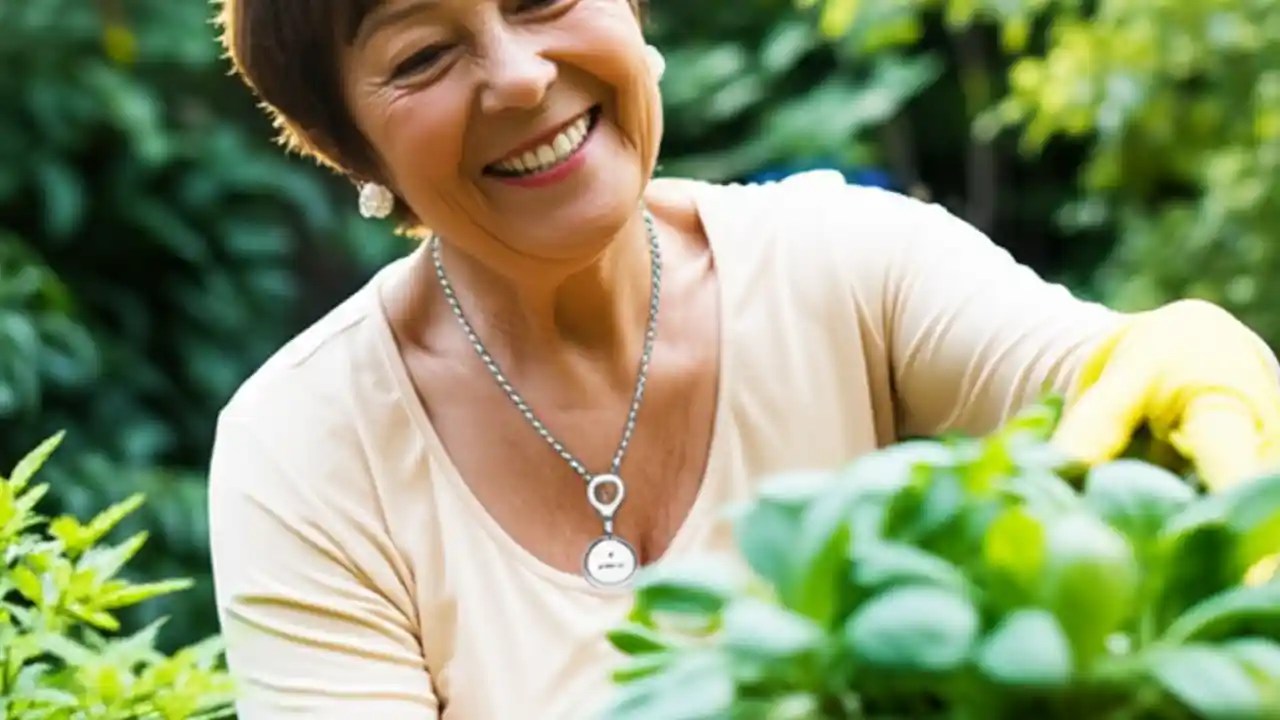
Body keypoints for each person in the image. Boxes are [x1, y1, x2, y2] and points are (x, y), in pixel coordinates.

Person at [207, 1, 1280, 718]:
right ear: (352, 148)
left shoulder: (850, 260)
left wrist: (1178, 354)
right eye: (422, 56)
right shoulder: (304, 447)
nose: (521, 76)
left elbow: (1098, 383)